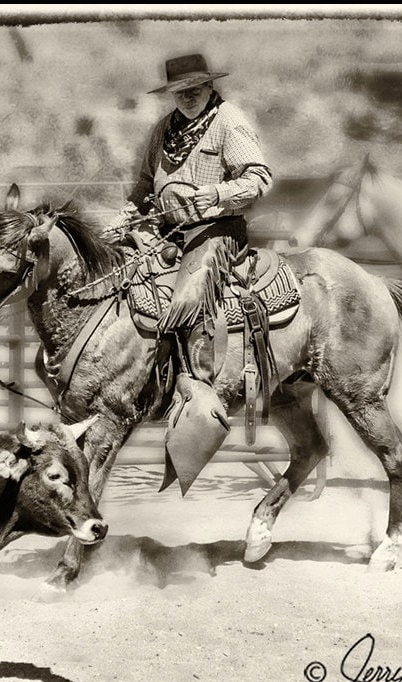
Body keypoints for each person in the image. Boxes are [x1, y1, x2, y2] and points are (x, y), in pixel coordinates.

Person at [110, 53, 273, 491]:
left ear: (209, 87)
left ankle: (201, 394)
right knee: (113, 277)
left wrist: (213, 195)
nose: (187, 97)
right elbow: (144, 188)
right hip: (166, 233)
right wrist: (125, 217)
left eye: (194, 89)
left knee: (188, 297)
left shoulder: (228, 120)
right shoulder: (163, 130)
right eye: (179, 92)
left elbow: (258, 178)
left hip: (216, 231)